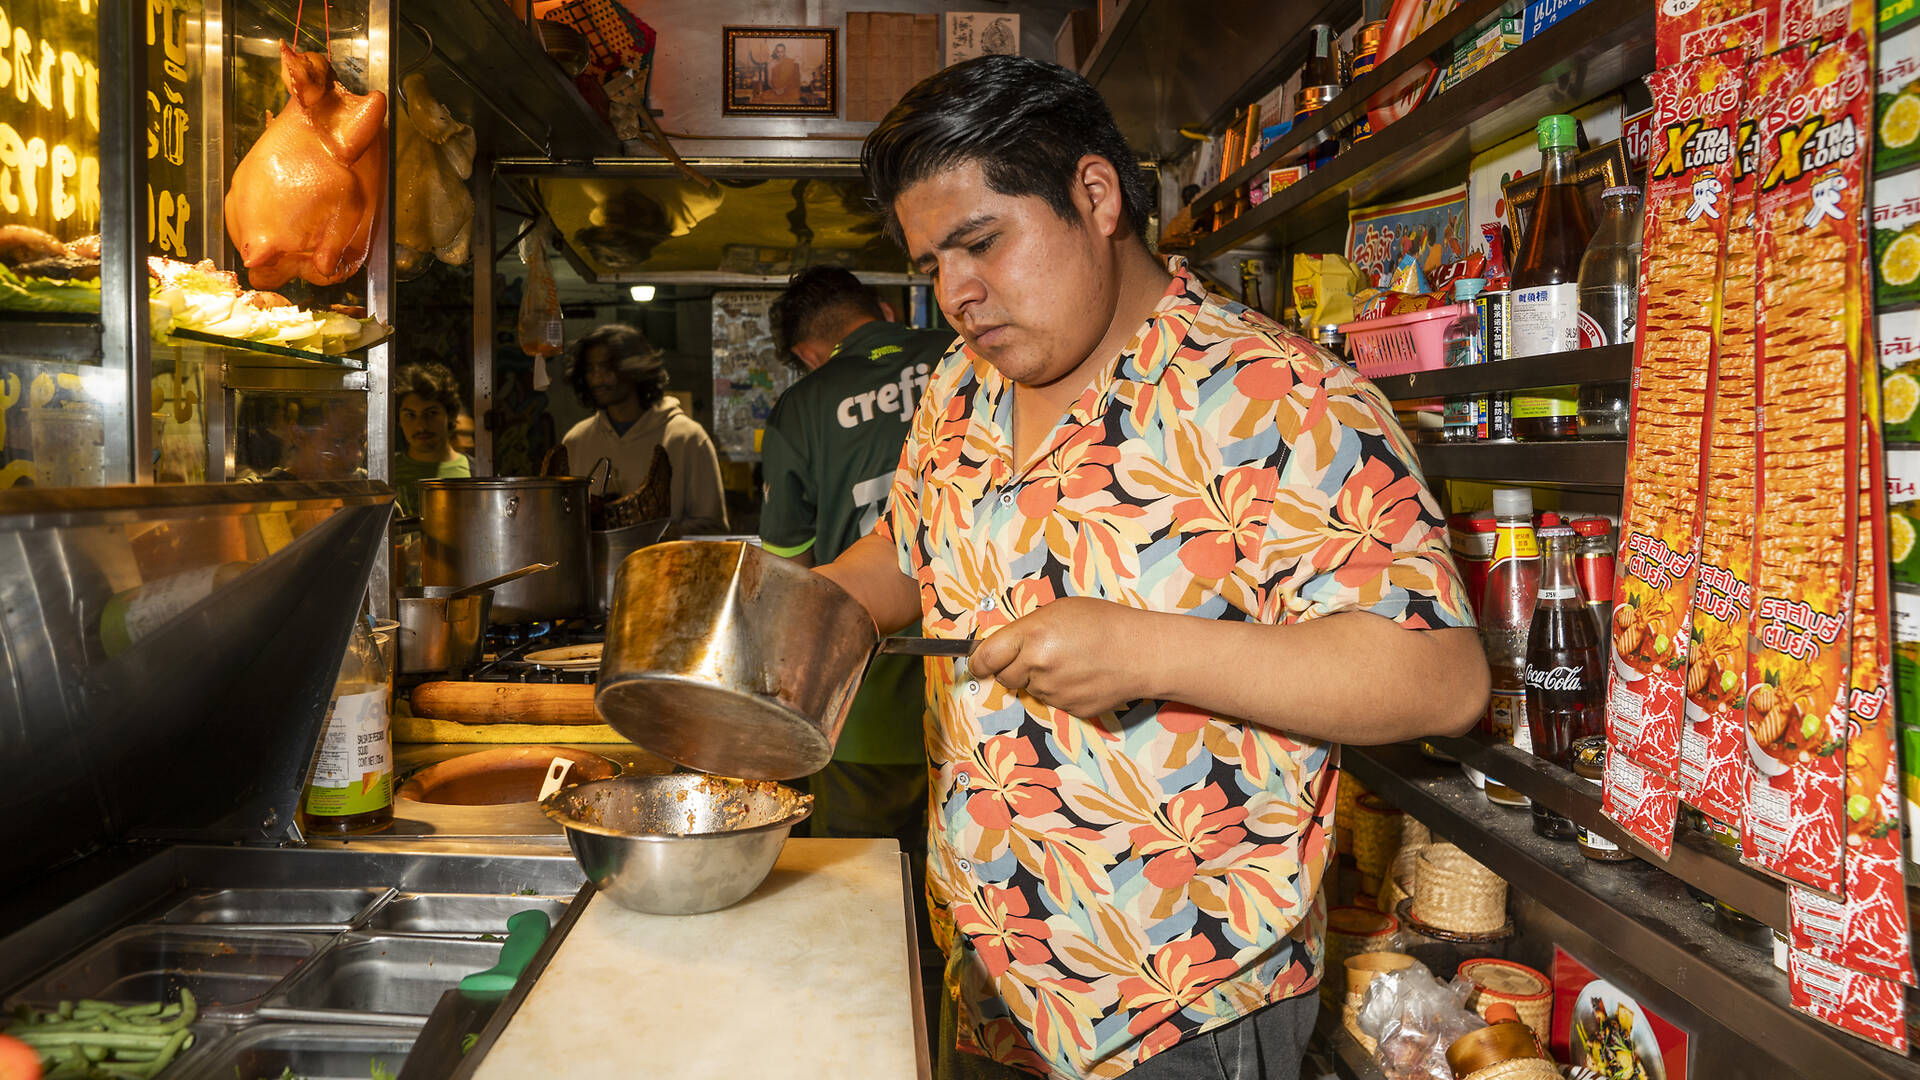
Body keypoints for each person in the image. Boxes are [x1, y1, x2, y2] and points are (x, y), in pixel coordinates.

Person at [816, 55, 1488, 1080]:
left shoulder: (1284, 397)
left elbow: (1438, 675)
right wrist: (806, 612)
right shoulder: (960, 384)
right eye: (931, 267)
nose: (957, 293)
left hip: (1179, 1009)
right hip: (991, 966)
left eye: (981, 243)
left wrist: (1147, 651)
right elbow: (909, 551)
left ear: (1094, 197)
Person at [761, 265, 951, 902]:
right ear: (883, 309)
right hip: (984, 699)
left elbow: (789, 569)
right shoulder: (968, 360)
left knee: (854, 904)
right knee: (970, 907)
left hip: (863, 706)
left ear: (806, 353)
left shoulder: (804, 405)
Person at [560, 323, 728, 534]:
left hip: (664, 566)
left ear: (635, 369)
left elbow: (713, 530)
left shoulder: (687, 438)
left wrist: (652, 535)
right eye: (591, 369)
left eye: (607, 368)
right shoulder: (576, 441)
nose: (597, 379)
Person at [389, 362, 472, 518]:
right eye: (410, 415)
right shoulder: (386, 473)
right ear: (399, 420)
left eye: (431, 413)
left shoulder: (475, 472)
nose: (421, 426)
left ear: (450, 415)